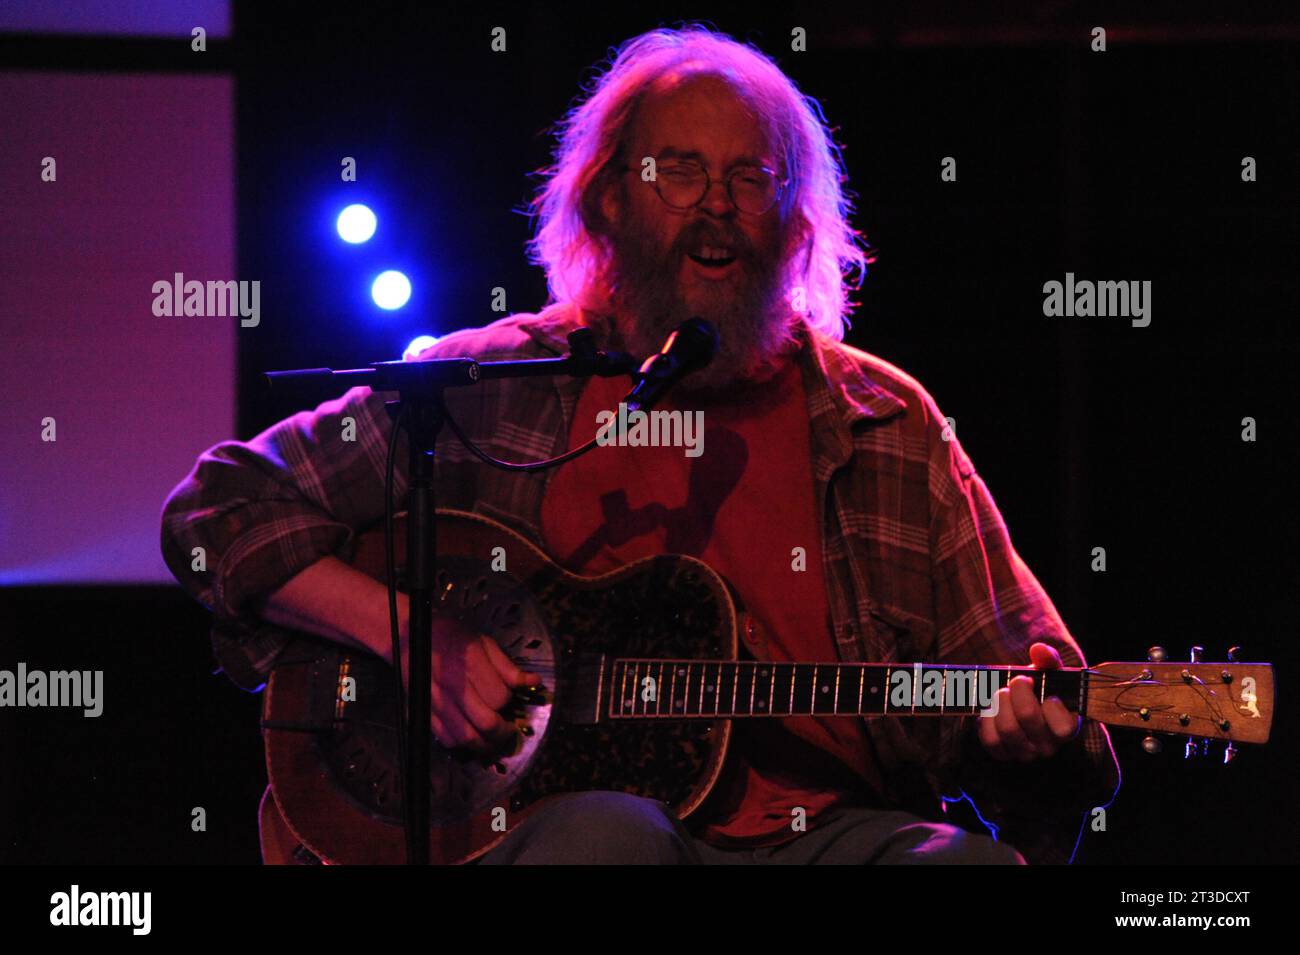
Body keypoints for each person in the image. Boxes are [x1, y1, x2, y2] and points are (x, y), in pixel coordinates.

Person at [161, 25, 1119, 865]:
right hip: (566, 830)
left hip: (835, 834)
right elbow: (213, 516)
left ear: (795, 222)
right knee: (608, 837)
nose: (716, 205)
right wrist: (413, 638)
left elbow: (1026, 673)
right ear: (608, 199)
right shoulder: (490, 390)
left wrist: (1042, 736)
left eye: (752, 177)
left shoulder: (884, 422)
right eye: (679, 171)